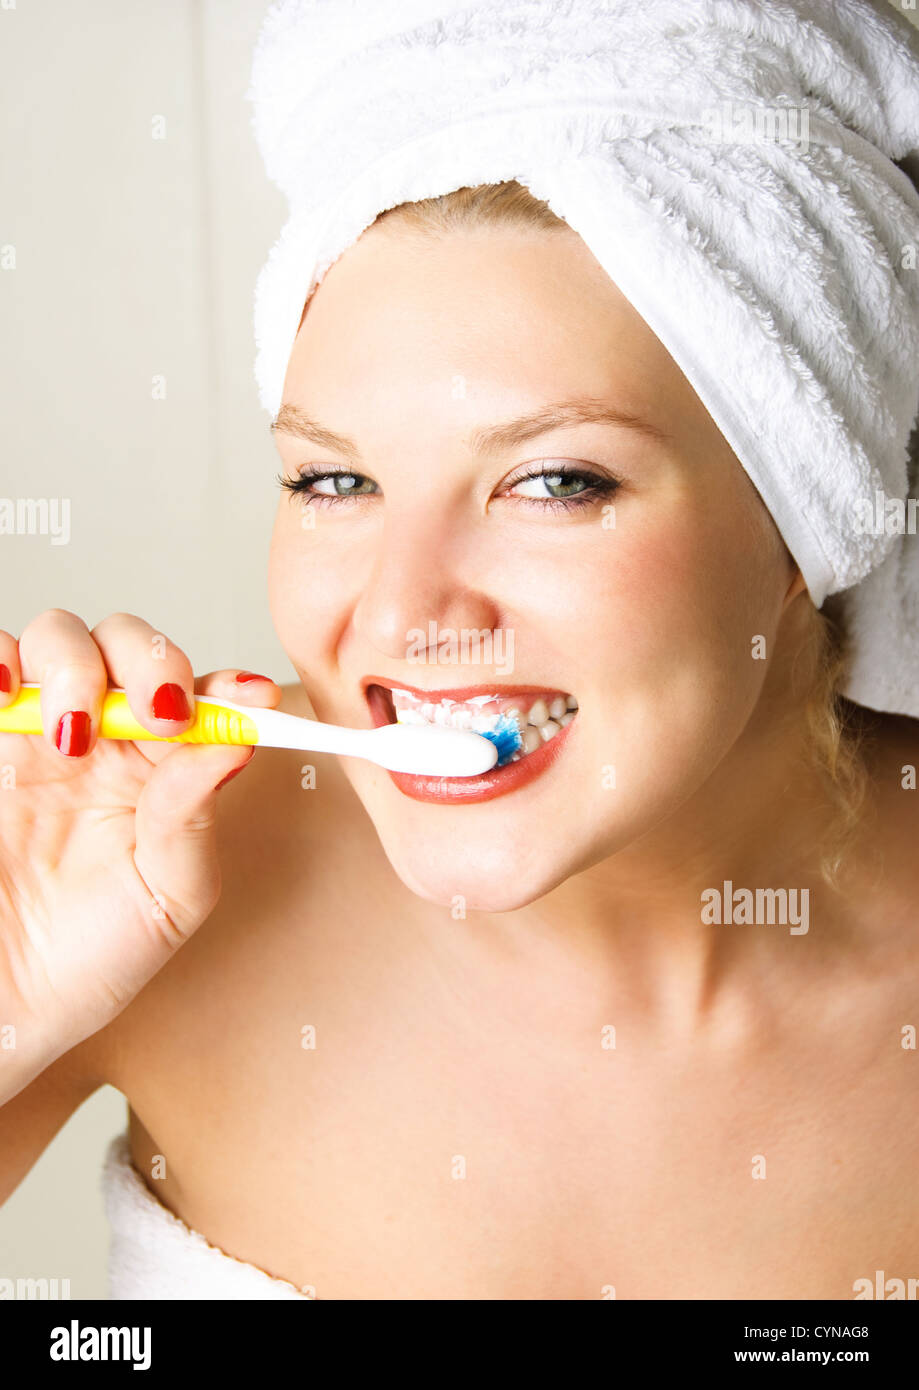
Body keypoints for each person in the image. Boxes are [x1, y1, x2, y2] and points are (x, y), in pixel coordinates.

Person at [1, 0, 918, 1300]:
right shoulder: (161, 894)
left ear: (799, 524)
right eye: (332, 481)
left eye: (553, 482)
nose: (398, 612)